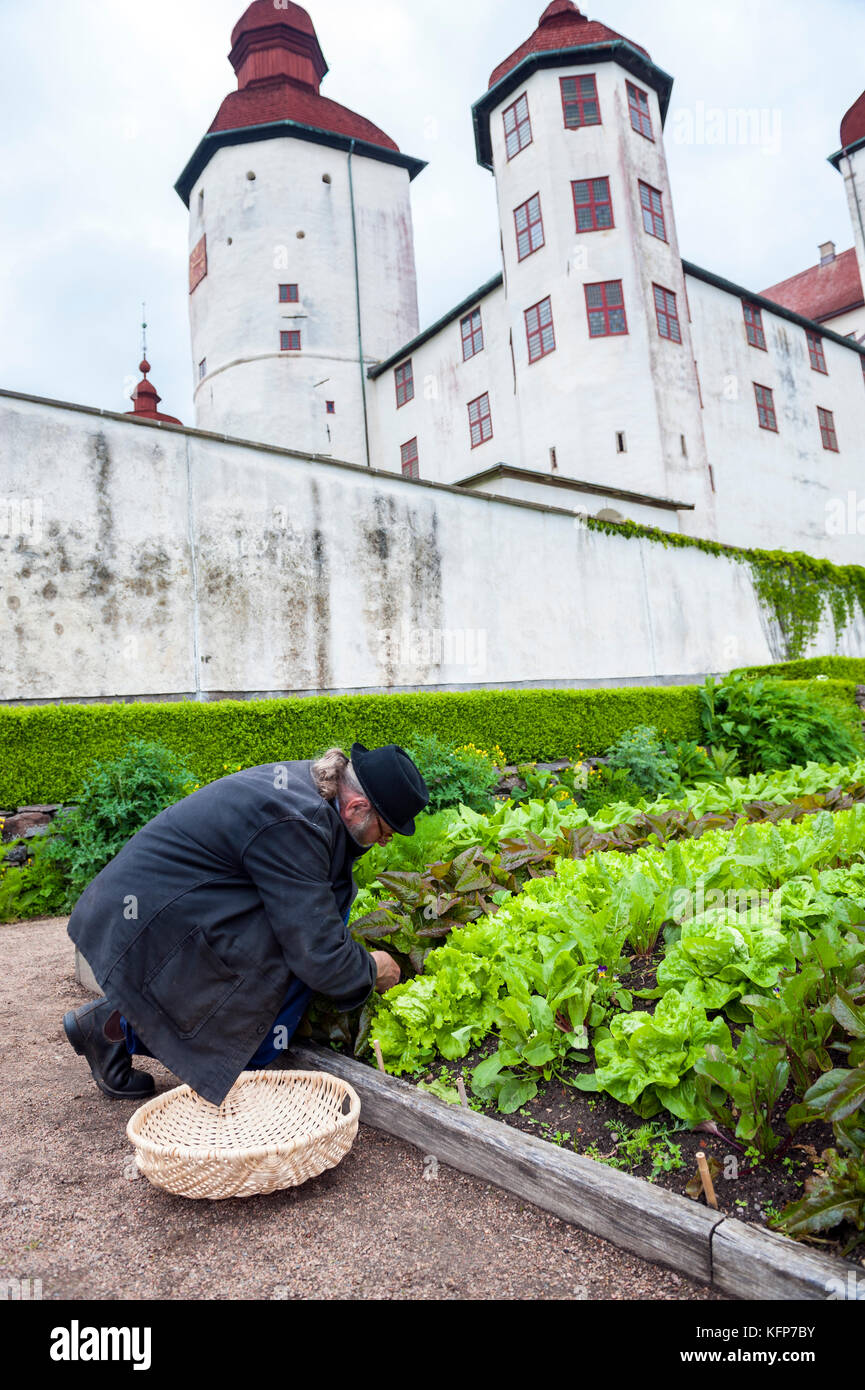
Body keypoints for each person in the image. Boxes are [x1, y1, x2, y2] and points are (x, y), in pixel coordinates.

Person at [63, 742, 429, 1105]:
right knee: (266, 997)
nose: (384, 843)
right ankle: (117, 1029)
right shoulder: (297, 822)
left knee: (284, 952)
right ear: (356, 807)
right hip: (147, 915)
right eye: (385, 831)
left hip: (175, 898)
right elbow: (317, 953)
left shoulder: (314, 791)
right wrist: (370, 970)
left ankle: (110, 1025)